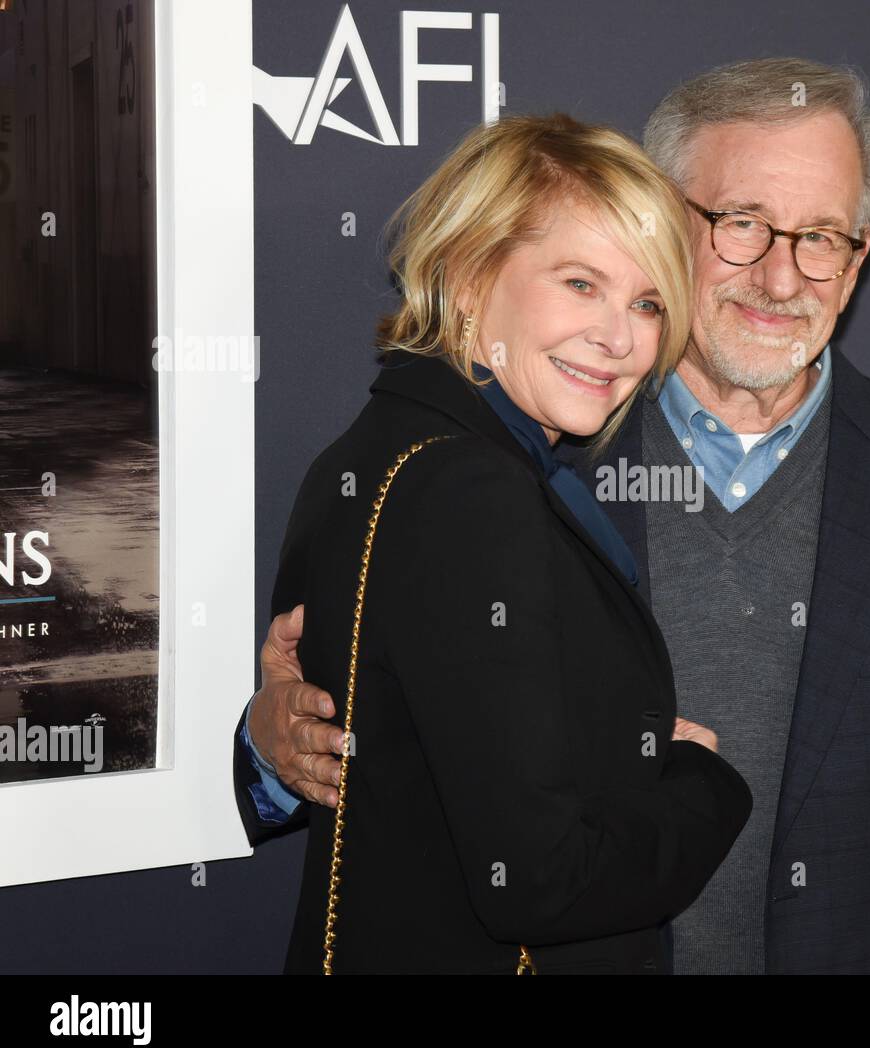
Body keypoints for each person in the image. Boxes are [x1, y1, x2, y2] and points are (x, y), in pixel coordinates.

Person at [241, 58, 870, 975]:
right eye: (742, 223)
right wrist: (271, 746)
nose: (781, 274)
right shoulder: (526, 453)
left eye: (822, 238)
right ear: (660, 220)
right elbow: (377, 741)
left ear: (858, 260)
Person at [242, 112, 752, 974]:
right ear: (471, 277)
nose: (620, 337)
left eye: (648, 302)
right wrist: (702, 786)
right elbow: (537, 882)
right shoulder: (473, 489)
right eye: (581, 283)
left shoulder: (375, 450)